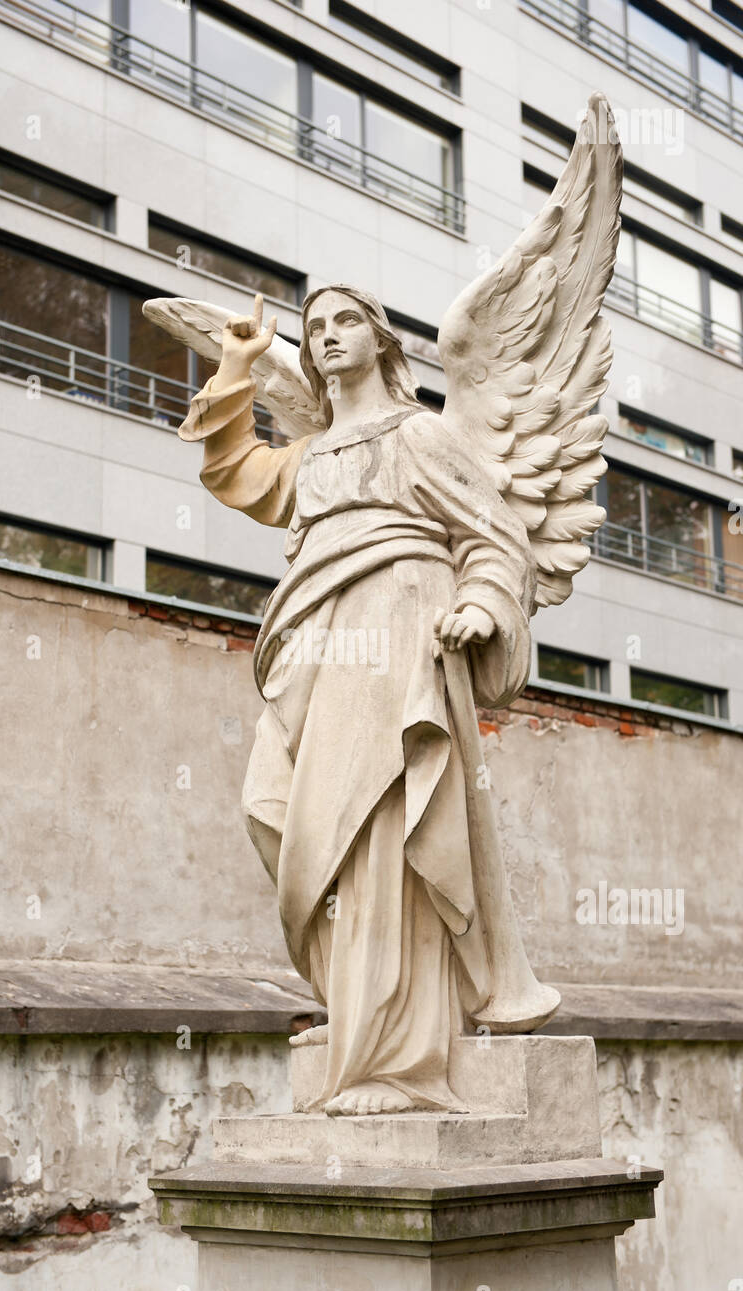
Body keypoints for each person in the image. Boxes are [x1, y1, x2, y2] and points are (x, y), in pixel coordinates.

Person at [179, 285, 559, 1116]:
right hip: (313, 647)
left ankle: (396, 1056)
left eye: (344, 320)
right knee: (274, 808)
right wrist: (239, 365)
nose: (325, 337)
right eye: (314, 327)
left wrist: (479, 604)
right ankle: (354, 1002)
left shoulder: (421, 436)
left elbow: (493, 540)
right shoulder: (313, 452)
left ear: (382, 340)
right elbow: (235, 472)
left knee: (382, 827)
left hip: (397, 634)